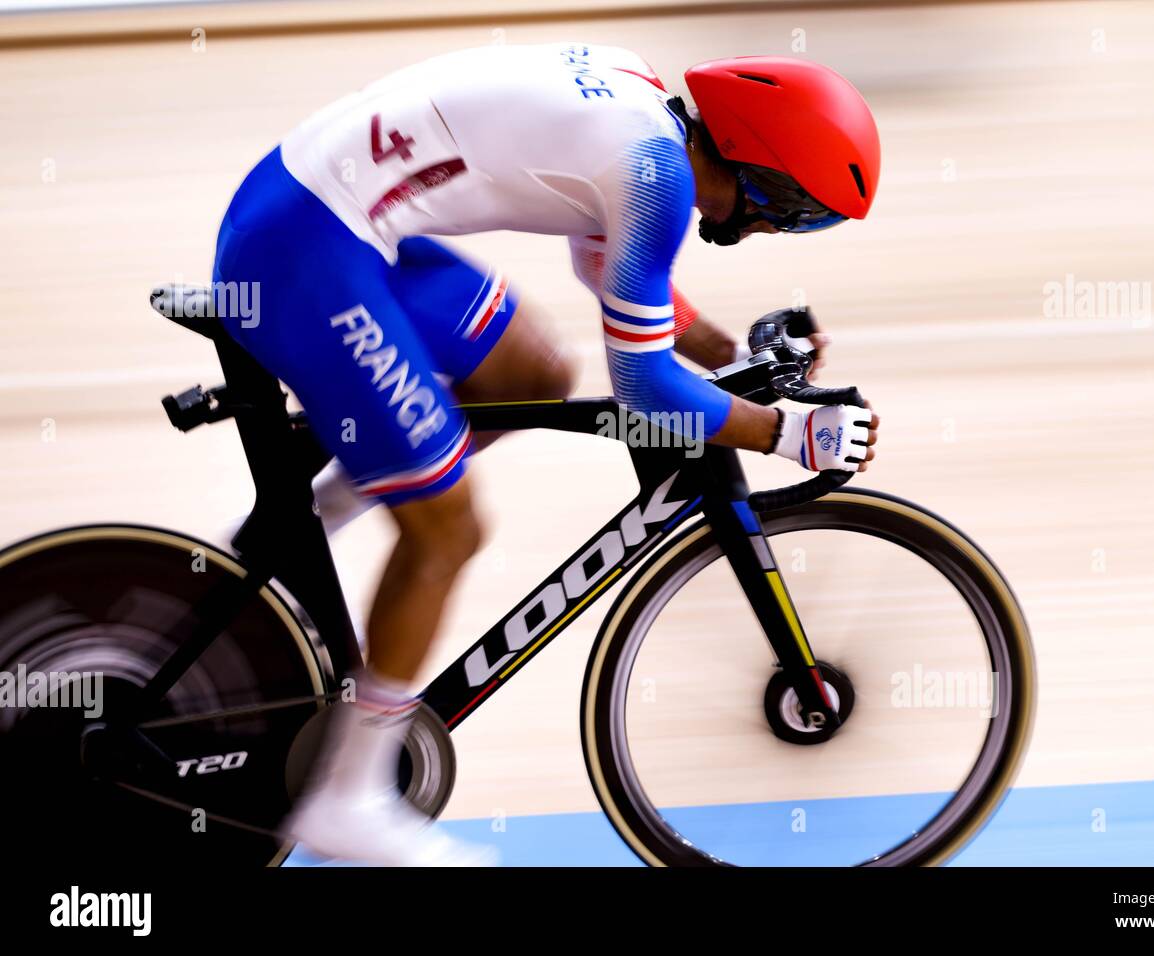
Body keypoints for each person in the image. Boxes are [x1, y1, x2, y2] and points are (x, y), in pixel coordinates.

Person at [211, 43, 882, 866]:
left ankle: (301, 528)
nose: (786, 228)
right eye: (800, 212)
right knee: (447, 531)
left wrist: (733, 353)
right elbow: (644, 390)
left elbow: (618, 266)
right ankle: (348, 797)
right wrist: (785, 433)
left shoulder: (646, 117)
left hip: (324, 213)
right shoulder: (658, 179)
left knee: (527, 373)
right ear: (764, 177)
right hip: (306, 249)